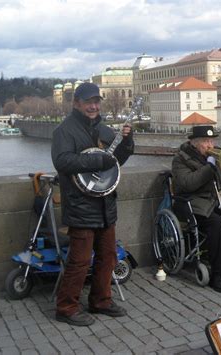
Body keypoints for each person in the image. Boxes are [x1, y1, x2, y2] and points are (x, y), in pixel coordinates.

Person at [51, 82, 134, 326]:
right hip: (80, 205)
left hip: (105, 204)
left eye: (97, 101)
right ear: (77, 103)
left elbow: (116, 160)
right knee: (80, 260)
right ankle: (66, 308)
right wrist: (98, 161)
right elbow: (63, 162)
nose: (94, 106)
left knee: (108, 256)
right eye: (88, 102)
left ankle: (100, 300)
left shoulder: (105, 130)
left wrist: (128, 143)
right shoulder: (64, 131)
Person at [171, 125, 221, 293]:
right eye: (206, 141)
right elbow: (187, 183)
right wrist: (209, 168)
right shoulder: (181, 159)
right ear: (194, 143)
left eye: (212, 141)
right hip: (194, 203)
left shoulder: (219, 154)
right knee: (217, 225)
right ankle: (217, 275)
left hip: (217, 200)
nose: (210, 146)